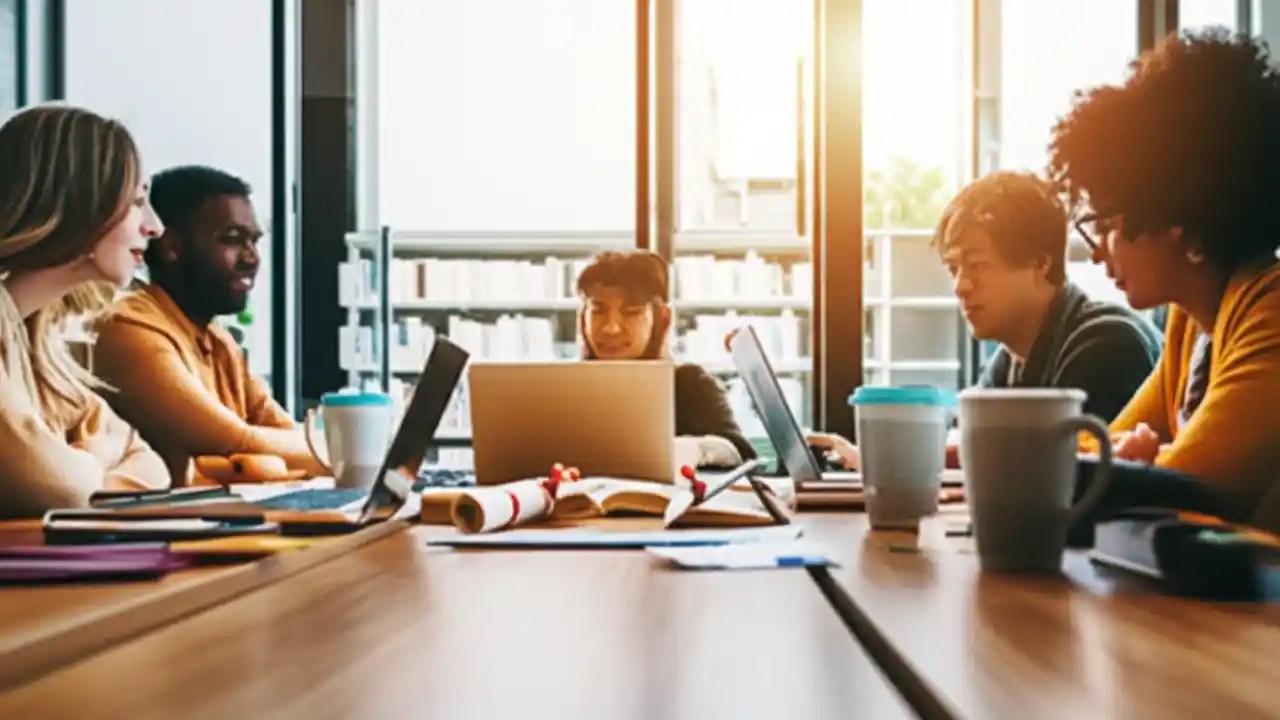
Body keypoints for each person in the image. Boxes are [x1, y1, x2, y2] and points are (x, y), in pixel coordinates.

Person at [1048, 29, 1280, 528]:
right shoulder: (1191, 325)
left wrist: (1135, 468)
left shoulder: (1271, 312)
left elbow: (1195, 487)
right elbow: (1089, 451)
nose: (1099, 251)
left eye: (1107, 225)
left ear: (1179, 221)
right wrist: (1130, 466)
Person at [808, 171, 1161, 470]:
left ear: (1041, 263)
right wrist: (880, 457)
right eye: (953, 269)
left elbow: (1054, 468)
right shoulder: (1010, 360)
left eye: (976, 266)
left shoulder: (1107, 344)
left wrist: (886, 460)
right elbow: (975, 444)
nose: (960, 286)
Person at [92, 166, 326, 484]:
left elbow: (285, 432)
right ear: (172, 247)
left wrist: (344, 455)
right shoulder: (128, 328)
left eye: (254, 241)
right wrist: (352, 457)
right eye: (232, 240)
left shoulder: (218, 339)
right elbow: (236, 441)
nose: (252, 258)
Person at [0, 104, 169, 517]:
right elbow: (61, 489)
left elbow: (151, 466)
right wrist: (98, 456)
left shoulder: (36, 341)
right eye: (137, 202)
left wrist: (85, 475)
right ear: (81, 206)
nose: (155, 226)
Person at [577, 250, 755, 466]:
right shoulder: (563, 390)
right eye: (598, 311)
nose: (611, 328)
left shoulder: (689, 385)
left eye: (631, 312)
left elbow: (740, 452)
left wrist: (695, 449)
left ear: (663, 318)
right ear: (583, 317)